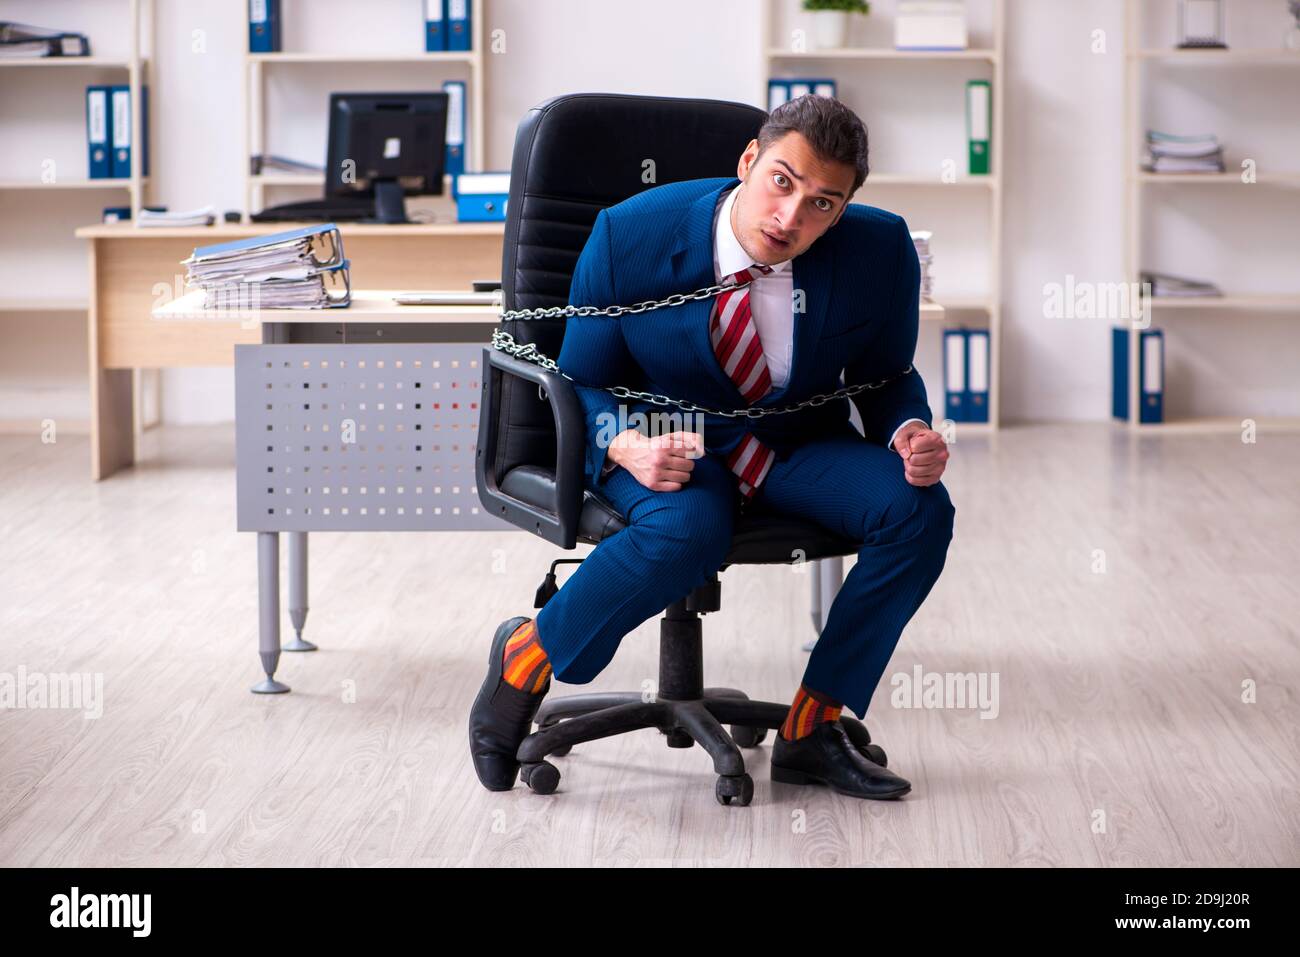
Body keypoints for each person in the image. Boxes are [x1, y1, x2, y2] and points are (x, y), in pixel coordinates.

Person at [470, 94, 954, 800]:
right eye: (783, 182)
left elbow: (887, 377)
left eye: (823, 203)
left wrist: (905, 428)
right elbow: (581, 380)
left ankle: (810, 729)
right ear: (749, 161)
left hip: (793, 443)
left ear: (844, 207)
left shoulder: (877, 250)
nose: (792, 217)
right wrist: (625, 444)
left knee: (919, 510)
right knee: (691, 526)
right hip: (667, 437)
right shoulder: (630, 234)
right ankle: (526, 654)